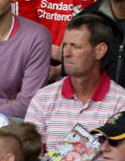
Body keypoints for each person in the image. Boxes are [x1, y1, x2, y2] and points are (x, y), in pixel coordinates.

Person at [27, 12, 125, 153]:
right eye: (65, 45)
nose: (66, 53)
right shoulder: (43, 98)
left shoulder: (121, 102)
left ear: (100, 51)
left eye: (76, 47)